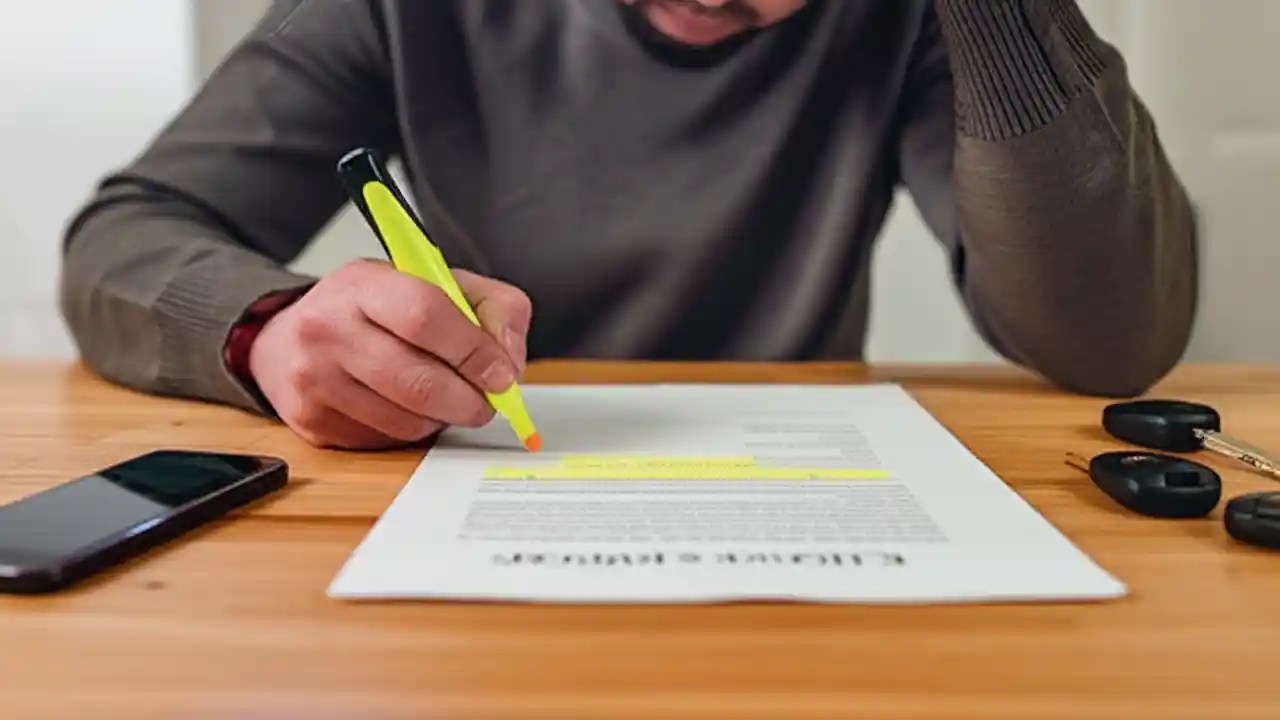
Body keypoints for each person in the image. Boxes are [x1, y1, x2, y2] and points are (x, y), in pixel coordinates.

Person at [59, 0, 1197, 449]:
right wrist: (267, 329)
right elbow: (131, 232)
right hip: (471, 479)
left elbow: (1109, 337)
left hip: (808, 516)